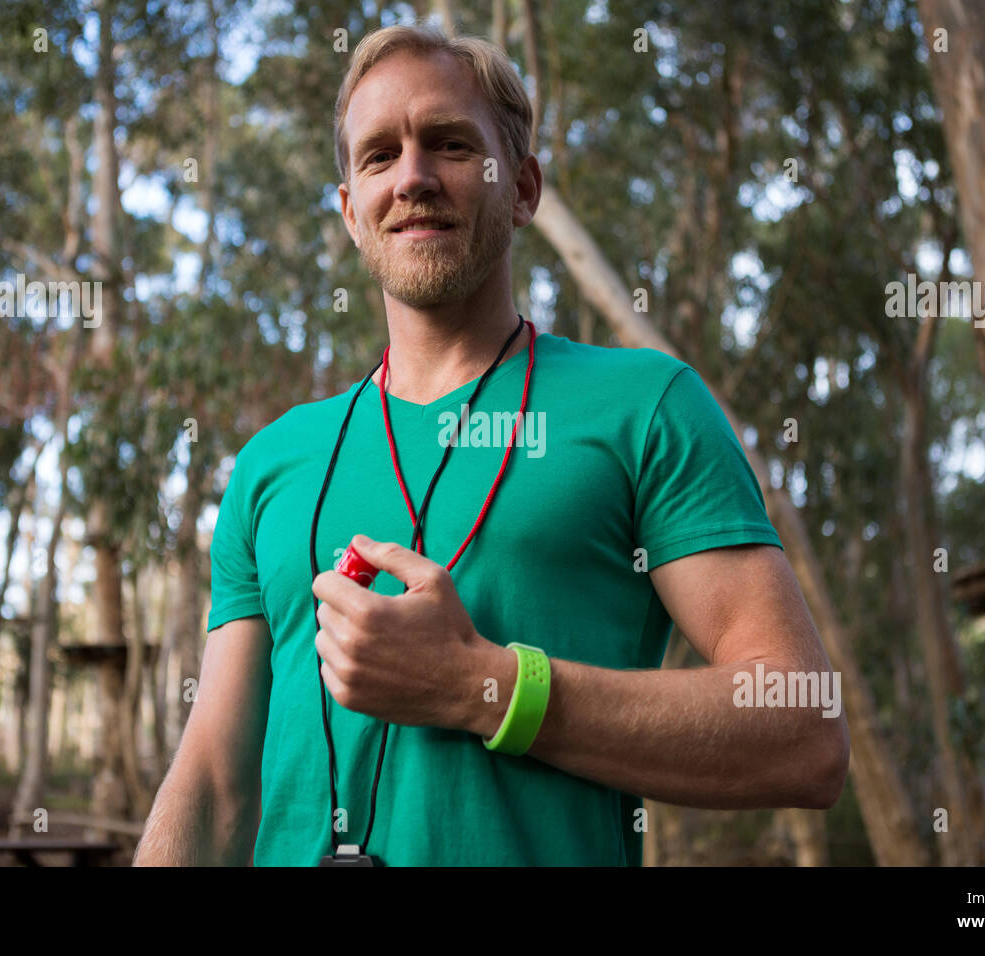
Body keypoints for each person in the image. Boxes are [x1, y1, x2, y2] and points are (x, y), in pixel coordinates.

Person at [135, 23, 848, 867]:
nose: (412, 177)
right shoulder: (273, 463)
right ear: (349, 212)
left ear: (522, 189)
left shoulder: (646, 407)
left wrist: (485, 688)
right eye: (378, 156)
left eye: (450, 144)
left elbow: (803, 731)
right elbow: (215, 781)